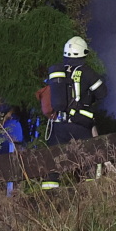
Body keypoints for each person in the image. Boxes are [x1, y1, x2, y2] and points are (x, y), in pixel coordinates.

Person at [42, 36, 107, 189]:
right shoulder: (86, 71)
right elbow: (102, 93)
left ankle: (47, 201)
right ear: (83, 53)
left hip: (57, 126)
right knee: (91, 160)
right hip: (79, 125)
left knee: (51, 164)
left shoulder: (57, 71)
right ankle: (92, 196)